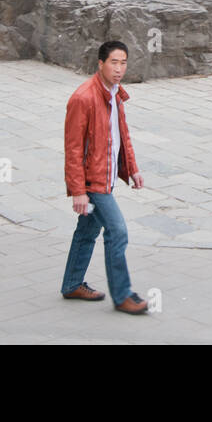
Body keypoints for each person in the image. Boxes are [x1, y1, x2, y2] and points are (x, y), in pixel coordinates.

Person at [61, 40, 149, 315]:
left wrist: (131, 168)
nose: (119, 68)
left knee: (87, 231)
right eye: (114, 62)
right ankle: (123, 296)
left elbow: (122, 135)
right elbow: (73, 148)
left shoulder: (115, 93)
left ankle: (72, 284)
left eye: (123, 63)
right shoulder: (83, 97)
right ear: (100, 64)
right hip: (93, 182)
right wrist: (78, 190)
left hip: (107, 175)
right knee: (117, 232)